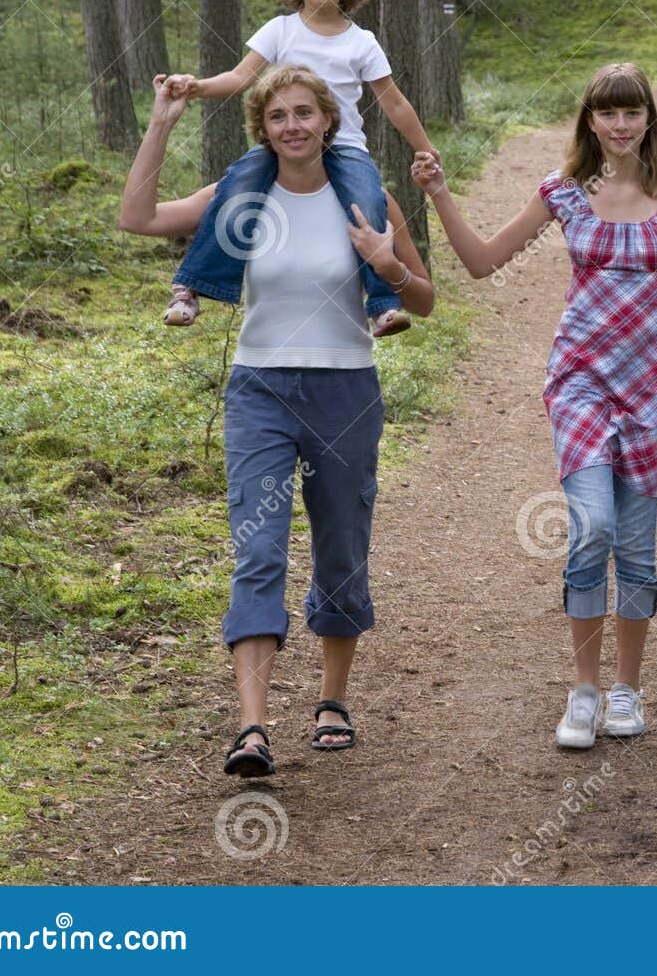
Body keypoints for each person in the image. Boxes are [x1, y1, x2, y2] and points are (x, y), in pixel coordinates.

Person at [411, 62, 657, 749]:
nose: (619, 124)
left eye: (631, 111)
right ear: (589, 121)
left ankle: (626, 690)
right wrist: (439, 194)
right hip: (579, 382)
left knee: (637, 549)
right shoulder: (564, 193)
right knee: (593, 529)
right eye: (606, 113)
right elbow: (484, 260)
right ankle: (582, 690)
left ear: (648, 118)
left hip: (653, 390)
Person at [119, 66, 434, 777]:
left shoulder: (368, 198)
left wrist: (390, 264)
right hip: (260, 388)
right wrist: (161, 122)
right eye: (277, 117)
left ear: (327, 121)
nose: (292, 126)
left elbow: (427, 298)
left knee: (341, 549)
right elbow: (136, 218)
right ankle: (252, 727)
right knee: (258, 549)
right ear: (263, 129)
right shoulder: (239, 196)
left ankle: (331, 701)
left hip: (347, 391)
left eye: (304, 113)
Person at [159, 0, 433, 339]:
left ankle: (382, 305)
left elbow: (393, 101)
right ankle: (191, 286)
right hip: (281, 145)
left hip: (342, 148)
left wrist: (424, 148)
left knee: (368, 202)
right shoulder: (280, 30)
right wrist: (196, 87)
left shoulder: (362, 42)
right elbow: (239, 77)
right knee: (234, 188)